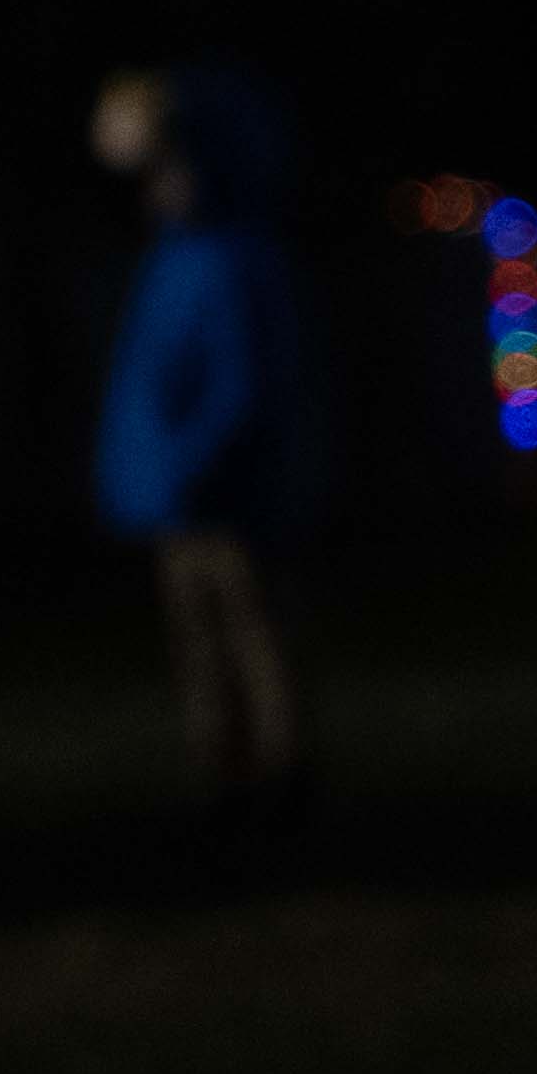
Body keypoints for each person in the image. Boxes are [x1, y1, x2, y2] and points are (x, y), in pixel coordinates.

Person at [89, 64, 307, 804]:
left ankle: (276, 770)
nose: (160, 185)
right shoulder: (174, 259)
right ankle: (219, 768)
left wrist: (193, 458)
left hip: (228, 489)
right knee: (197, 638)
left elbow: (242, 384)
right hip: (180, 492)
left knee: (251, 630)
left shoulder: (230, 262)